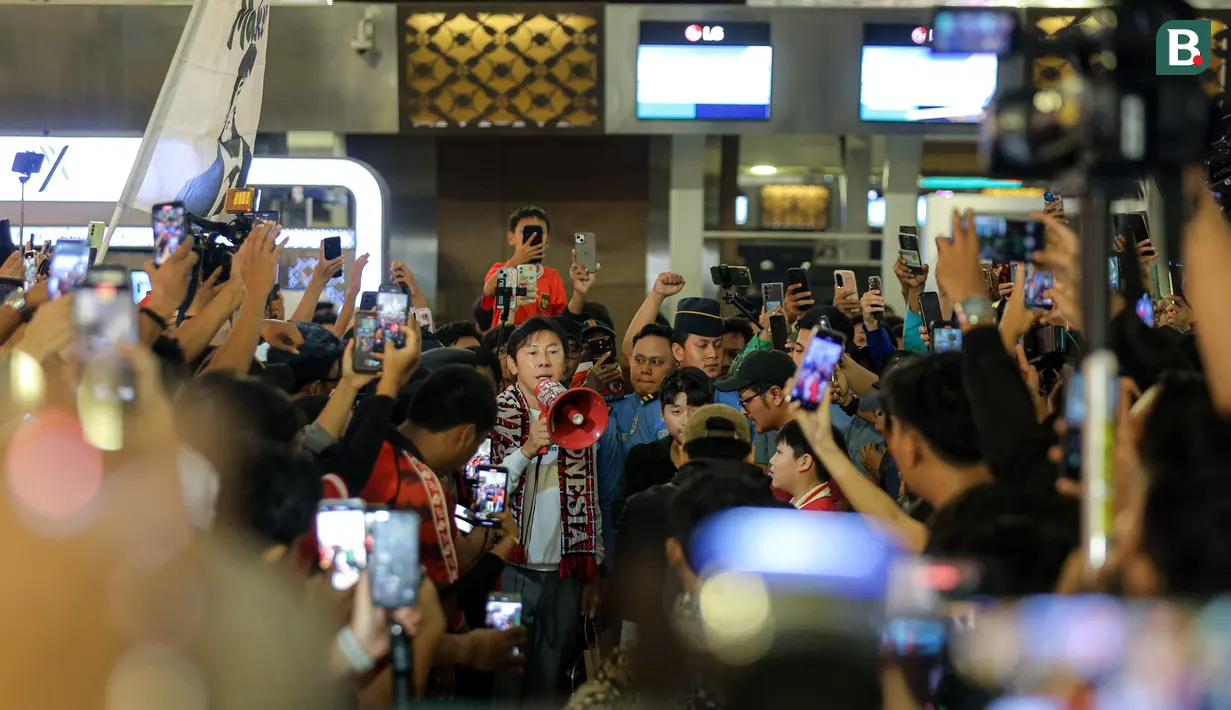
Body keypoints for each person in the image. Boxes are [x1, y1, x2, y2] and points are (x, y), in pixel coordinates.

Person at [487, 316, 623, 702]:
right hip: (508, 568)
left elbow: (592, 498)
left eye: (553, 351)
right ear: (512, 364)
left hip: (565, 572)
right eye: (531, 352)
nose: (543, 360)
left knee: (551, 674)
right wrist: (527, 449)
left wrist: (593, 571)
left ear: (565, 363)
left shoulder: (580, 411)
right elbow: (484, 494)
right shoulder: (494, 415)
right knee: (505, 667)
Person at [615, 366, 713, 522]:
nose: (686, 421)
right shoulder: (642, 458)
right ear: (662, 414)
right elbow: (620, 514)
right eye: (676, 412)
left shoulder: (724, 460)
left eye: (696, 411)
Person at [479, 206, 596, 327]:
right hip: (503, 341)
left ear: (547, 240)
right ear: (511, 238)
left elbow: (561, 320)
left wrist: (578, 294)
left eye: (539, 233)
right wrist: (515, 261)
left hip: (541, 343)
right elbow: (488, 290)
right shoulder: (501, 269)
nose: (532, 238)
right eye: (526, 232)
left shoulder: (552, 276)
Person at [715, 348, 797, 467]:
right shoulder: (777, 435)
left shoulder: (814, 445)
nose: (743, 411)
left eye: (747, 401)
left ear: (775, 395)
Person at [608, 323, 677, 454]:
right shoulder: (610, 413)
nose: (645, 370)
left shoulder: (683, 413)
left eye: (656, 362)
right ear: (630, 362)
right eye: (639, 360)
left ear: (676, 364)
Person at [771, 419, 846, 511]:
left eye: (779, 452)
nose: (771, 460)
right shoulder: (809, 506)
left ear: (804, 462)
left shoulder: (815, 517)